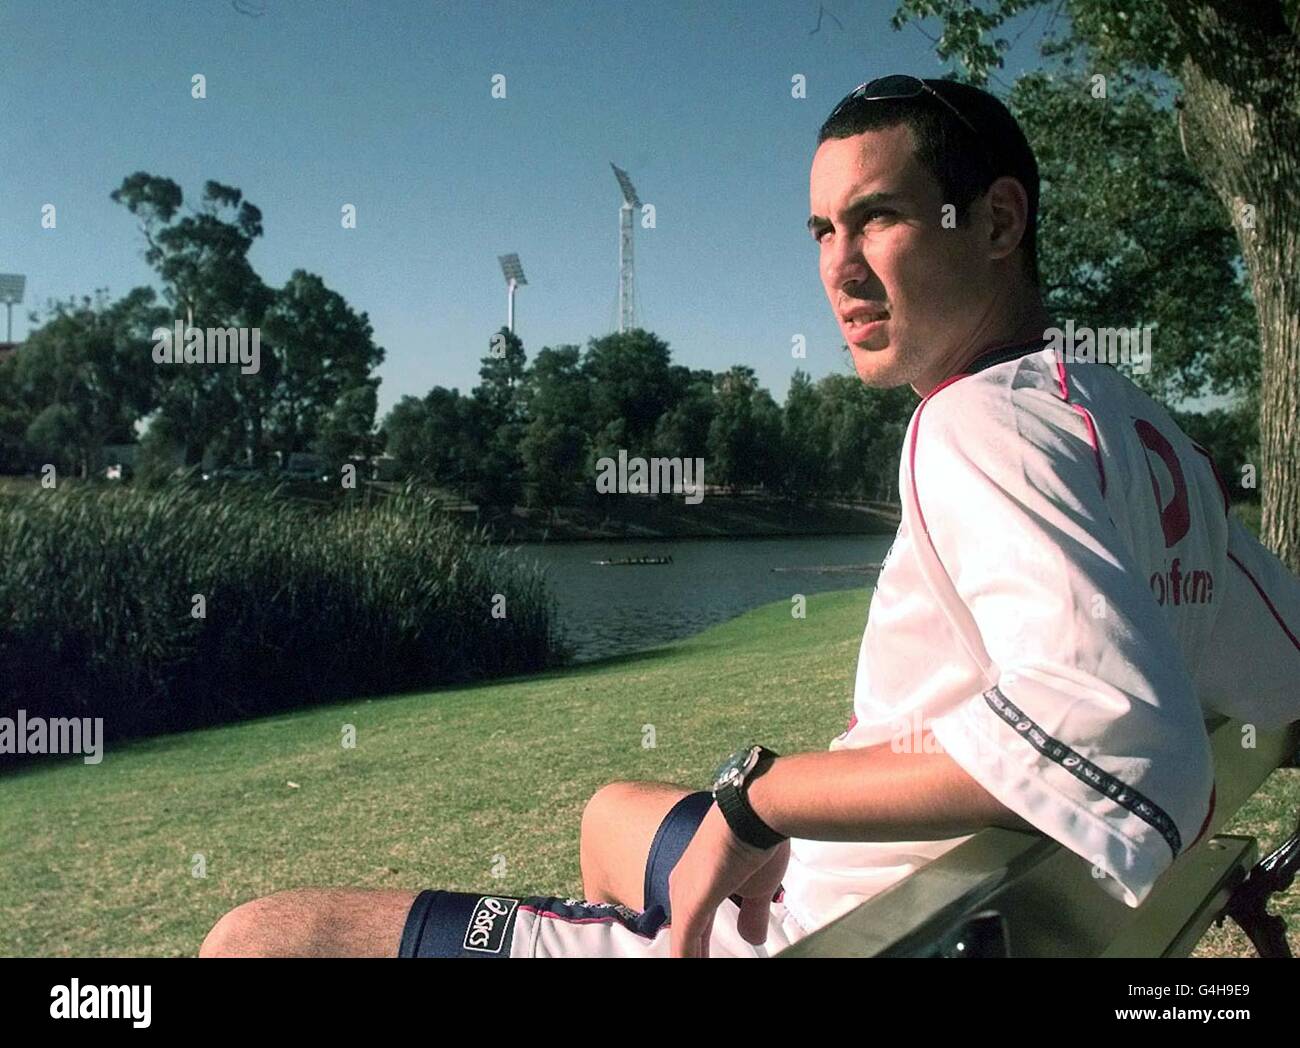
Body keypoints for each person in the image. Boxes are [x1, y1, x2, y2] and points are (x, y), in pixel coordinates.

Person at [199, 75, 1300, 959]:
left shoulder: (972, 426)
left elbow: (1103, 731)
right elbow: (1278, 676)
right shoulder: (1131, 428)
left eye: (878, 218)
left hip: (843, 929)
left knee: (256, 939)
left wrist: (759, 801)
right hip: (945, 890)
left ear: (998, 219)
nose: (839, 268)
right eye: (821, 228)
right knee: (611, 814)